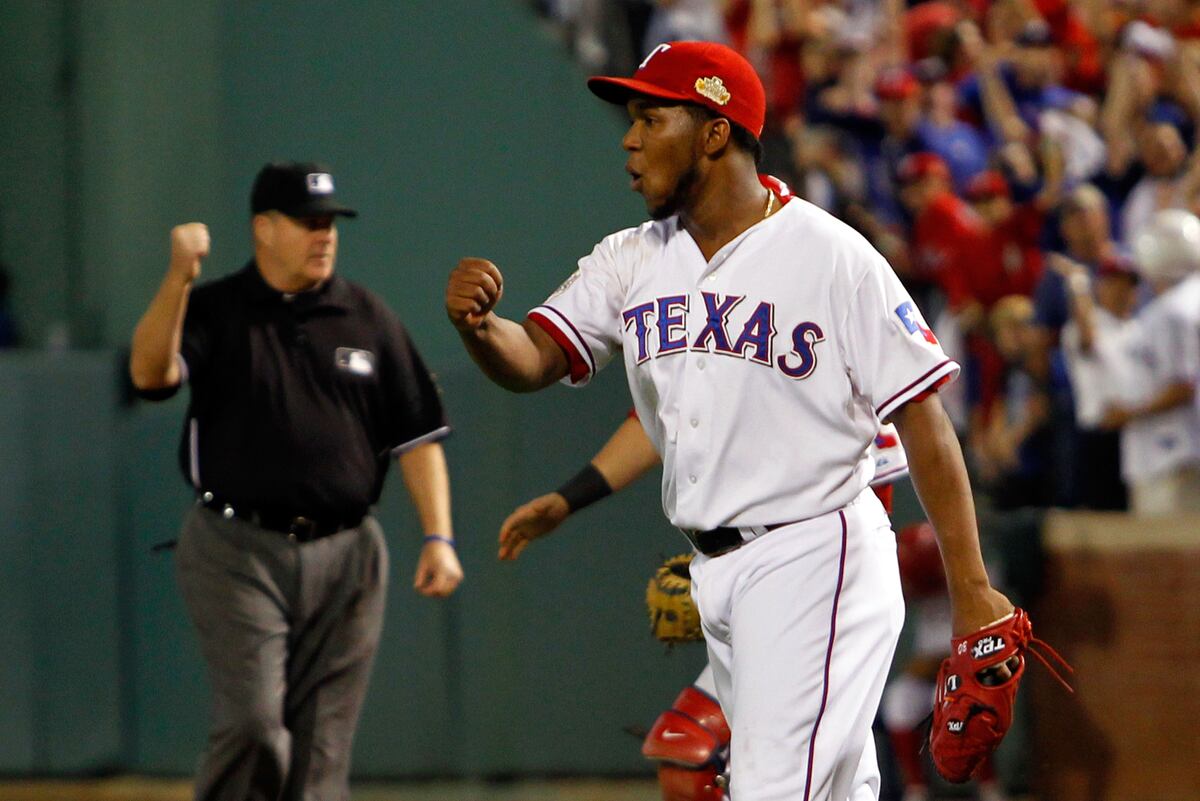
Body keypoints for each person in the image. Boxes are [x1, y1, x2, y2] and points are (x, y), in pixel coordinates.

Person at [446, 41, 1013, 801]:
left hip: (819, 553)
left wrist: (972, 588)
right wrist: (481, 329)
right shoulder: (631, 258)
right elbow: (534, 358)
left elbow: (924, 419)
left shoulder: (833, 256)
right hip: (719, 569)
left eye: (652, 117)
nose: (629, 138)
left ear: (714, 132)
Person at [129, 162, 464, 801]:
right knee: (255, 726)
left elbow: (417, 437)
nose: (325, 236)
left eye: (331, 223)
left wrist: (439, 537)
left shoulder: (366, 315)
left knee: (320, 758)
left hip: (349, 555)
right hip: (237, 550)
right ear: (263, 229)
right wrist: (178, 277)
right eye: (309, 223)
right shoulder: (217, 308)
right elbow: (150, 375)